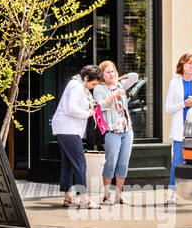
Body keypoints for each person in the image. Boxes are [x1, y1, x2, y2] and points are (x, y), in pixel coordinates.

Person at [51, 64, 102, 208]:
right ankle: (85, 199)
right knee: (80, 162)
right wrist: (89, 113)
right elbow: (71, 108)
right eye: (93, 83)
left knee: (68, 163)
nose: (93, 86)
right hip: (68, 129)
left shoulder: (79, 86)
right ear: (86, 78)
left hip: (66, 128)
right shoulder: (76, 86)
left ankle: (68, 197)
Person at [94, 60, 139, 204]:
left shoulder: (120, 84)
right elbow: (99, 106)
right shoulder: (99, 89)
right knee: (111, 163)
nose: (111, 74)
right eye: (108, 72)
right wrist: (112, 96)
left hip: (127, 130)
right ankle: (107, 195)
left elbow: (135, 76)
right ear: (102, 75)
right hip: (112, 130)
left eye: (113, 71)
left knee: (123, 163)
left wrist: (119, 79)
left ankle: (119, 195)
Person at [164, 53, 192, 200]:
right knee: (177, 161)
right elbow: (167, 108)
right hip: (179, 130)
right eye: (189, 63)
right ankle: (173, 193)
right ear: (182, 65)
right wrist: (183, 104)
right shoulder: (174, 83)